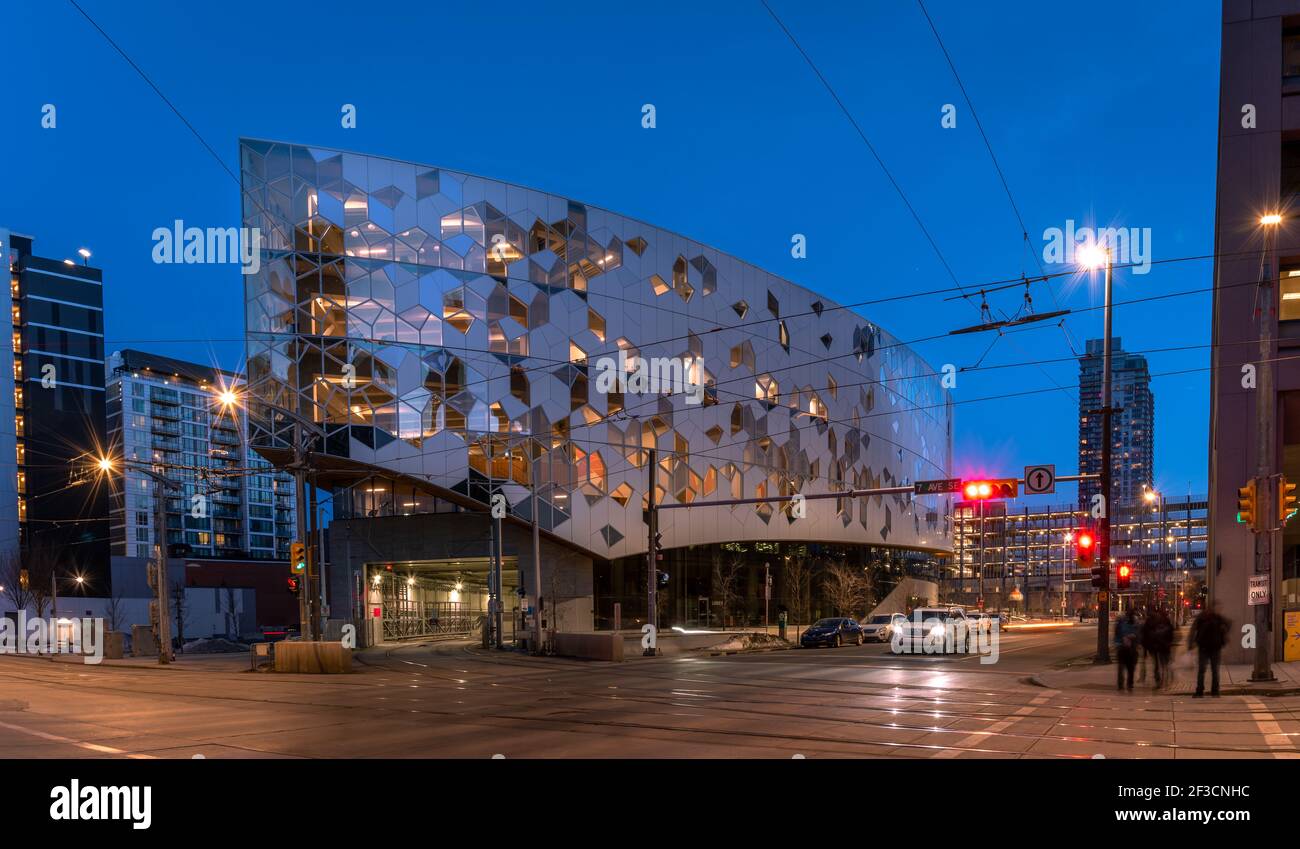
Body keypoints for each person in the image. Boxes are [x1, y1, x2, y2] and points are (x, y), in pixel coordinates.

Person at [1188, 602, 1230, 697]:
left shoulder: (1204, 617)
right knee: (1214, 670)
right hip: (1214, 647)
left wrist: (1191, 644)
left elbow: (1193, 630)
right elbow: (1228, 625)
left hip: (1205, 647)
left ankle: (1200, 691)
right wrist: (1223, 636)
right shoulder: (1216, 618)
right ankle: (1214, 691)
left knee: (1203, 670)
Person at [1140, 606, 1174, 689]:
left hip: (1154, 646)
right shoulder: (1164, 620)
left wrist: (1145, 648)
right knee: (1162, 664)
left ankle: (1159, 681)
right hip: (1161, 645)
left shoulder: (1149, 621)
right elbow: (1170, 632)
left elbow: (1145, 635)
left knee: (1157, 665)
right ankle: (1164, 680)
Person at [1114, 609, 1139, 692]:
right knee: (1130, 668)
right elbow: (1137, 634)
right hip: (1128, 649)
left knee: (1123, 667)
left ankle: (1122, 685)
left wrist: (1118, 642)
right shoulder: (1133, 623)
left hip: (1124, 648)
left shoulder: (1121, 622)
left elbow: (1117, 634)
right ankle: (1128, 685)